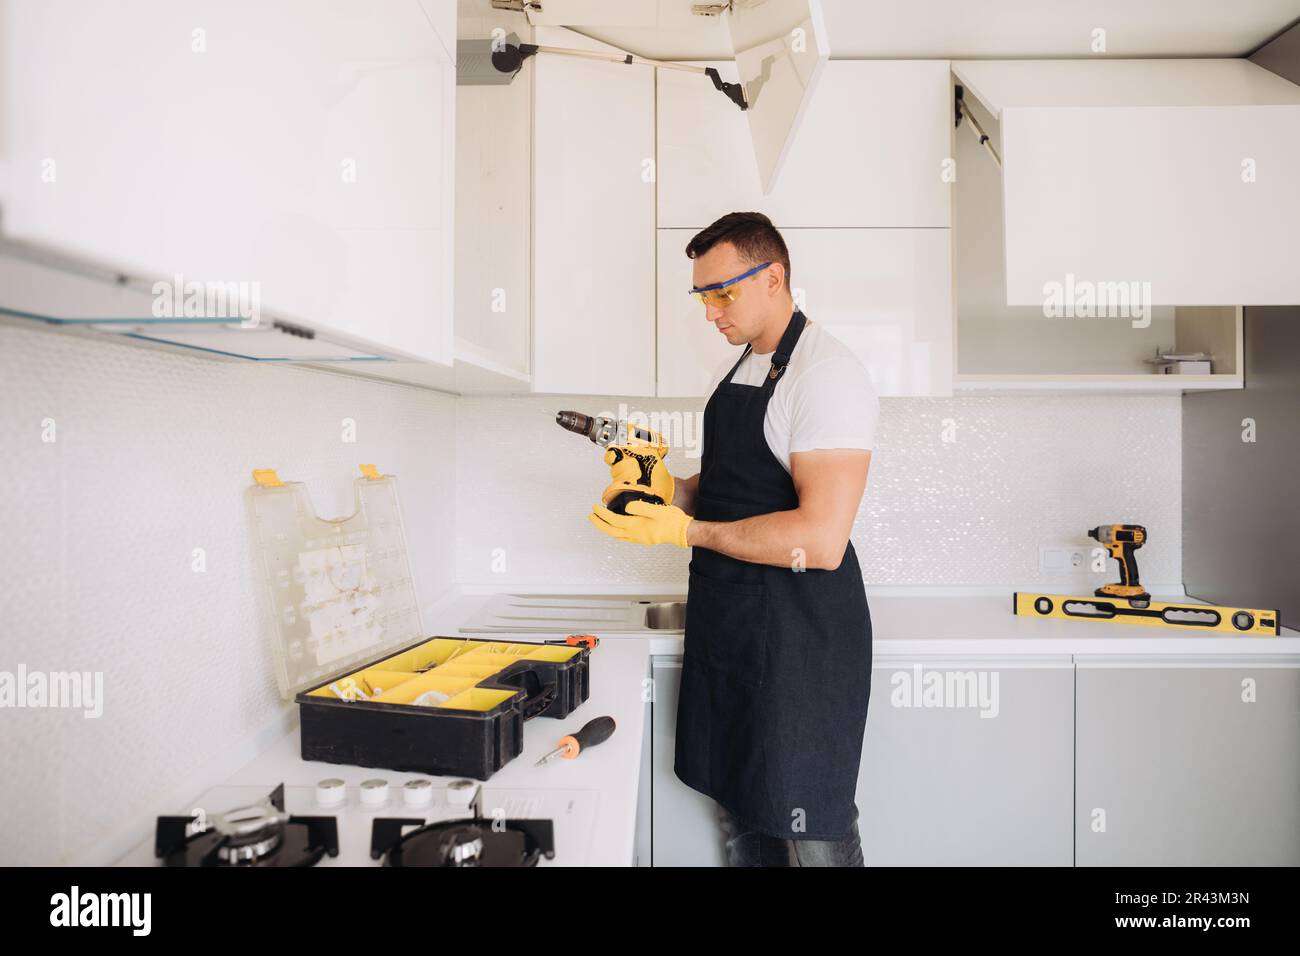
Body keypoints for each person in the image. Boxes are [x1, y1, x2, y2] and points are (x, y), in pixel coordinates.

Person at [588, 211, 879, 867]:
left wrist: (686, 529)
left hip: (801, 647)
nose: (710, 311)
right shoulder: (749, 363)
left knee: (807, 828)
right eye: (703, 295)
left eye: (723, 291)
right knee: (744, 817)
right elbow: (733, 492)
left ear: (773, 277)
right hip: (736, 633)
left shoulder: (825, 375)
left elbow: (822, 537)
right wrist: (663, 487)